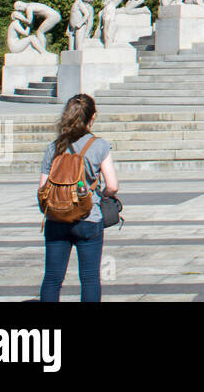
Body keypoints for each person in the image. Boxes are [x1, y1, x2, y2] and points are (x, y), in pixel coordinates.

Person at [38, 94, 118, 302]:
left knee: (53, 278)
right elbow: (112, 186)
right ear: (92, 117)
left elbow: (43, 188)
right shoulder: (99, 145)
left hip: (56, 219)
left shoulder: (55, 147)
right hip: (88, 217)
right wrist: (102, 195)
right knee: (90, 278)